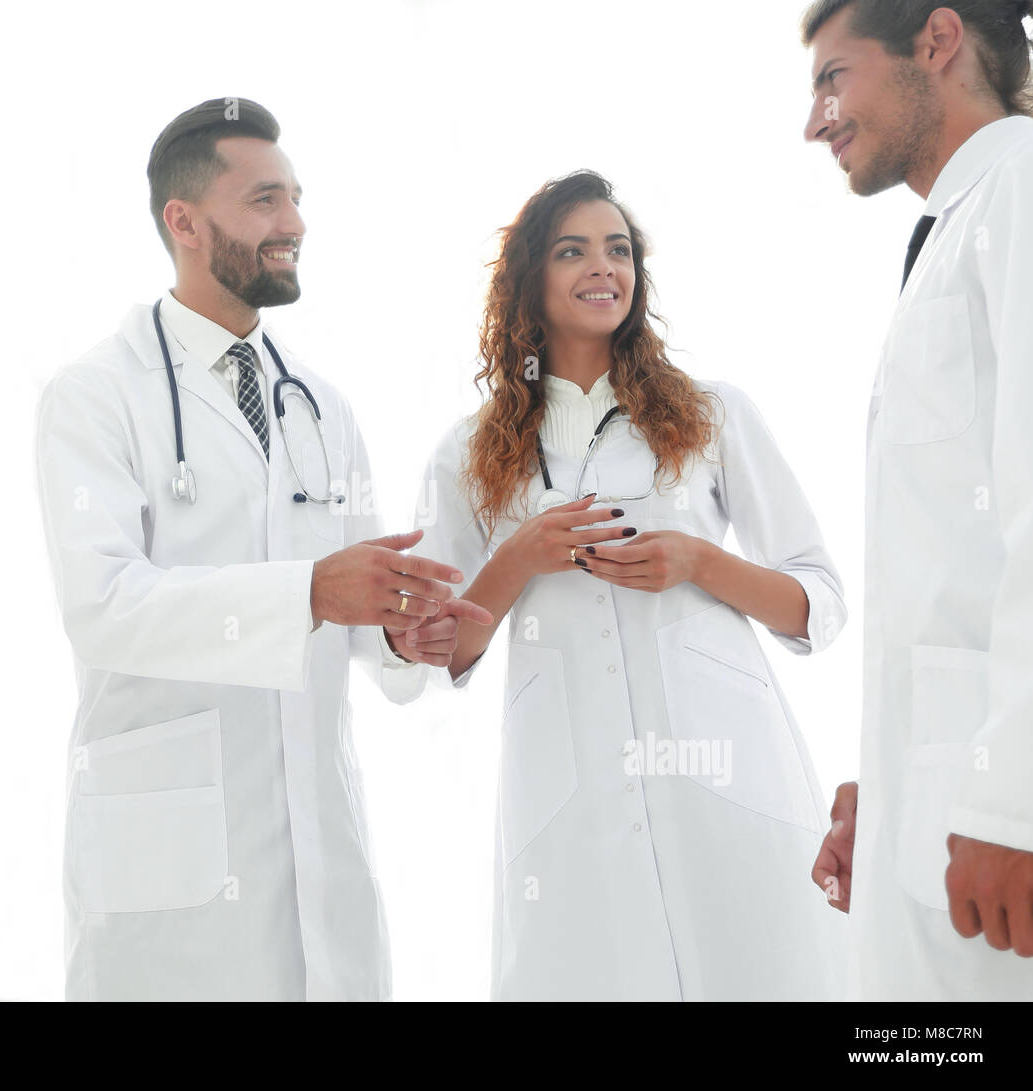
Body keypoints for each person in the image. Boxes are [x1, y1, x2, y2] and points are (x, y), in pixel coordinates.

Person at [35, 98, 491, 1001]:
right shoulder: (92, 396)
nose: (295, 224)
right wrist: (312, 592)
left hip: (317, 861)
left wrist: (409, 633)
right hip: (167, 869)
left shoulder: (319, 406)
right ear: (186, 221)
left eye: (296, 199)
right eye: (266, 201)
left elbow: (365, 618)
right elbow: (103, 608)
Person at [412, 170, 849, 1000]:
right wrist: (521, 556)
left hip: (724, 781)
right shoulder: (469, 454)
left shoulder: (713, 415)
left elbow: (818, 601)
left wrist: (699, 562)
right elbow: (447, 642)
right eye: (573, 250)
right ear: (530, 280)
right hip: (570, 799)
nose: (602, 267)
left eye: (618, 249)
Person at [803, 0, 1033, 997]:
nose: (815, 120)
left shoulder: (1022, 188)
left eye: (831, 76)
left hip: (995, 821)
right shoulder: (953, 231)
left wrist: (1014, 800)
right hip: (939, 795)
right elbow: (943, 561)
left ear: (934, 44)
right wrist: (884, 774)